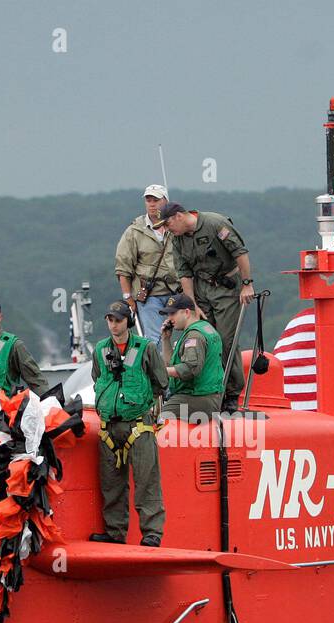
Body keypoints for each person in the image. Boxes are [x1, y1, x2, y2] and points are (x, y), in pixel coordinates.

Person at [156, 202, 253, 412]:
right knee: (200, 337)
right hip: (201, 289)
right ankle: (202, 387)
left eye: (168, 224)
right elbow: (184, 272)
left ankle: (231, 392)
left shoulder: (215, 223)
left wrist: (247, 284)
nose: (167, 229)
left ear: (179, 216)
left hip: (226, 288)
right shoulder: (178, 239)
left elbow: (240, 253)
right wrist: (192, 304)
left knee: (226, 340)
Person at [90, 301, 168, 546]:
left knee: (147, 481)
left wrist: (142, 400)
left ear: (128, 321)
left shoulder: (145, 348)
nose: (114, 325)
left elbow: (161, 381)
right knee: (112, 484)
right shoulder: (100, 350)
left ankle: (152, 533)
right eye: (111, 320)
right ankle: (114, 532)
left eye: (119, 320)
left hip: (138, 425)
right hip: (109, 427)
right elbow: (97, 378)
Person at [115, 185, 181, 344]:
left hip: (178, 291)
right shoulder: (134, 231)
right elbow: (123, 267)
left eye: (156, 200)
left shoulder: (177, 226)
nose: (152, 204)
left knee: (191, 333)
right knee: (154, 339)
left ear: (165, 201)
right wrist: (128, 297)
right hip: (150, 294)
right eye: (148, 200)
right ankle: (158, 368)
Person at [157, 293, 224, 421]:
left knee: (161, 418)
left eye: (173, 314)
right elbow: (173, 364)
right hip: (207, 395)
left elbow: (189, 369)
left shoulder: (194, 336)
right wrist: (166, 339)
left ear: (186, 312)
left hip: (198, 396)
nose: (169, 318)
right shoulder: (205, 327)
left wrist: (159, 371)